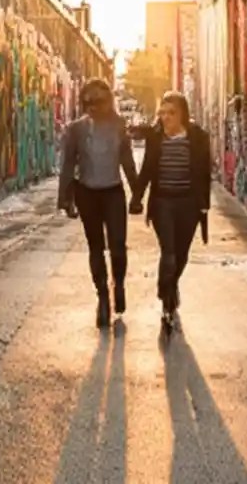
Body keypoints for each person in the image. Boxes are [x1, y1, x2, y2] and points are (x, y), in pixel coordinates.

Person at [57, 79, 138, 329]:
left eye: (98, 102)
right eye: (87, 102)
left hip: (113, 191)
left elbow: (127, 160)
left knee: (118, 247)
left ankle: (119, 284)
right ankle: (102, 297)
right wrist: (65, 199)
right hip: (87, 193)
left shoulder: (119, 125)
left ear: (109, 101)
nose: (92, 107)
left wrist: (137, 194)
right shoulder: (75, 129)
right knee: (95, 247)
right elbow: (68, 164)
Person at [129, 92, 211, 327]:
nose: (166, 118)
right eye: (162, 113)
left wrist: (203, 205)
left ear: (183, 114)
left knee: (182, 254)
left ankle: (171, 285)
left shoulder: (198, 138)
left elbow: (204, 174)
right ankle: (166, 299)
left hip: (189, 204)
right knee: (169, 253)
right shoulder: (156, 138)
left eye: (171, 113)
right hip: (163, 202)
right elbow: (146, 170)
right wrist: (137, 197)